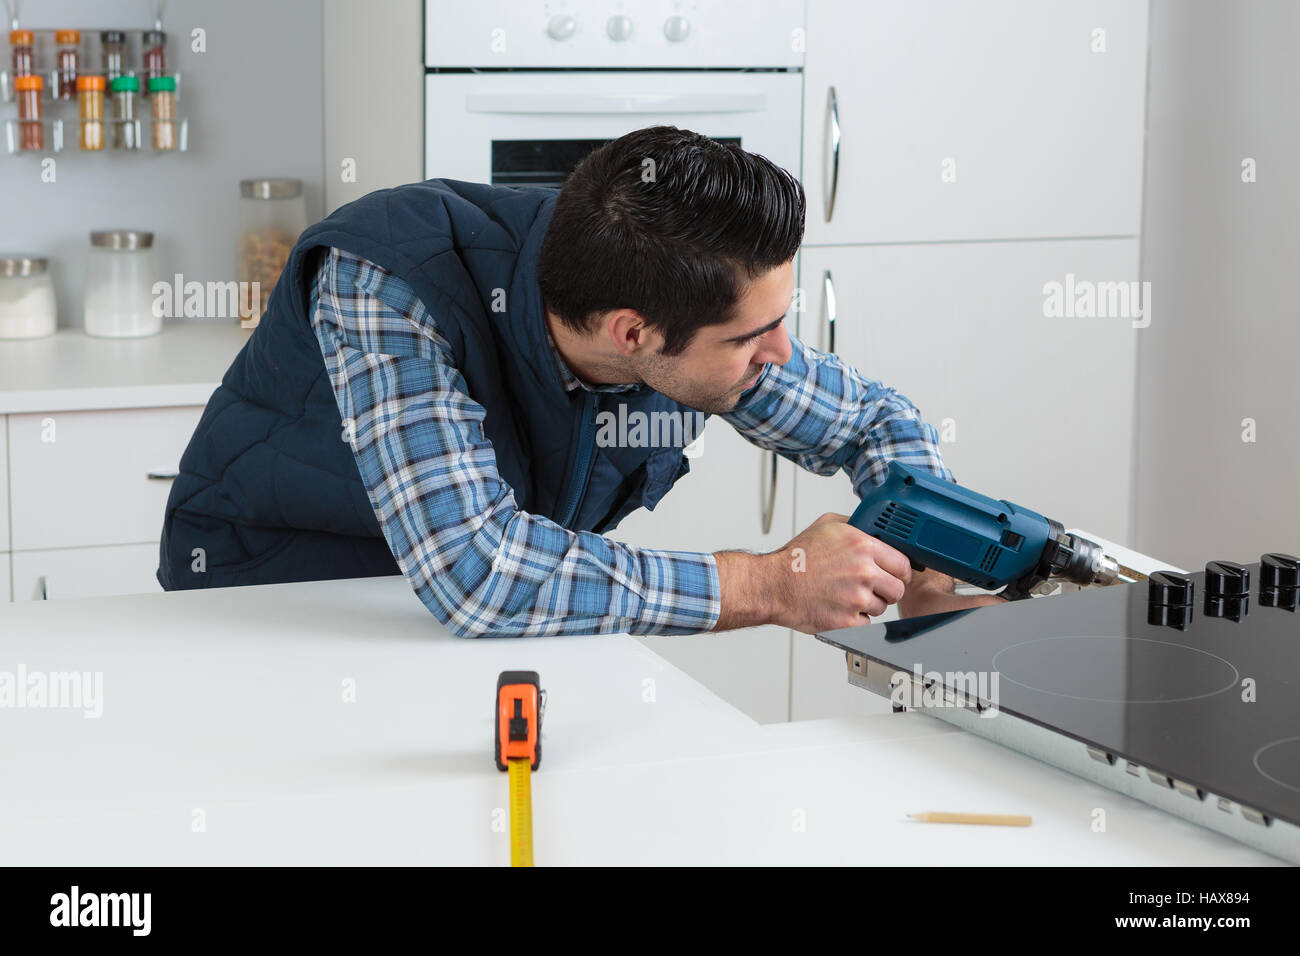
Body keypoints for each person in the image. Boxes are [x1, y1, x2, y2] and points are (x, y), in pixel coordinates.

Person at [157, 125, 1002, 636]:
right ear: (631, 333)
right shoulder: (388, 278)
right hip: (272, 614)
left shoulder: (671, 292)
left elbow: (873, 423)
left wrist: (929, 577)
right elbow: (479, 571)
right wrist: (768, 581)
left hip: (471, 625)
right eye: (754, 335)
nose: (782, 354)